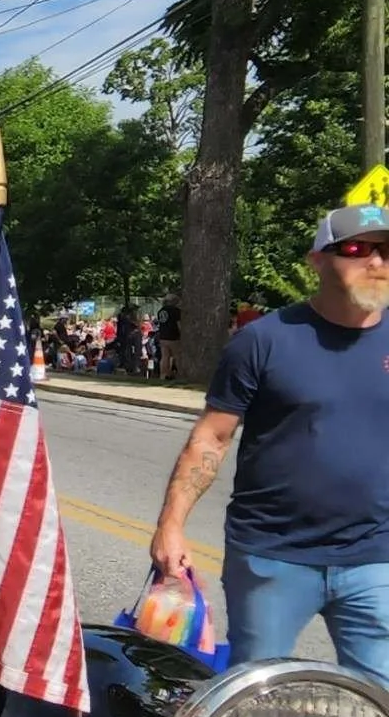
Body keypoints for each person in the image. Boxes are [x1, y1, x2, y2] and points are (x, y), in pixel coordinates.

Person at [149, 201, 389, 676]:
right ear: (317, 259)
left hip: (375, 559)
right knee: (255, 699)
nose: (375, 262)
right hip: (272, 556)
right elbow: (211, 439)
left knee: (379, 709)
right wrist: (171, 524)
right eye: (356, 249)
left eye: (385, 250)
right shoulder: (264, 340)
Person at [156, 295, 183, 384]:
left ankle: (163, 374)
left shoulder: (161, 311)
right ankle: (181, 374)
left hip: (163, 336)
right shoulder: (176, 311)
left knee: (165, 357)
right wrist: (182, 333)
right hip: (173, 336)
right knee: (177, 356)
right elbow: (179, 324)